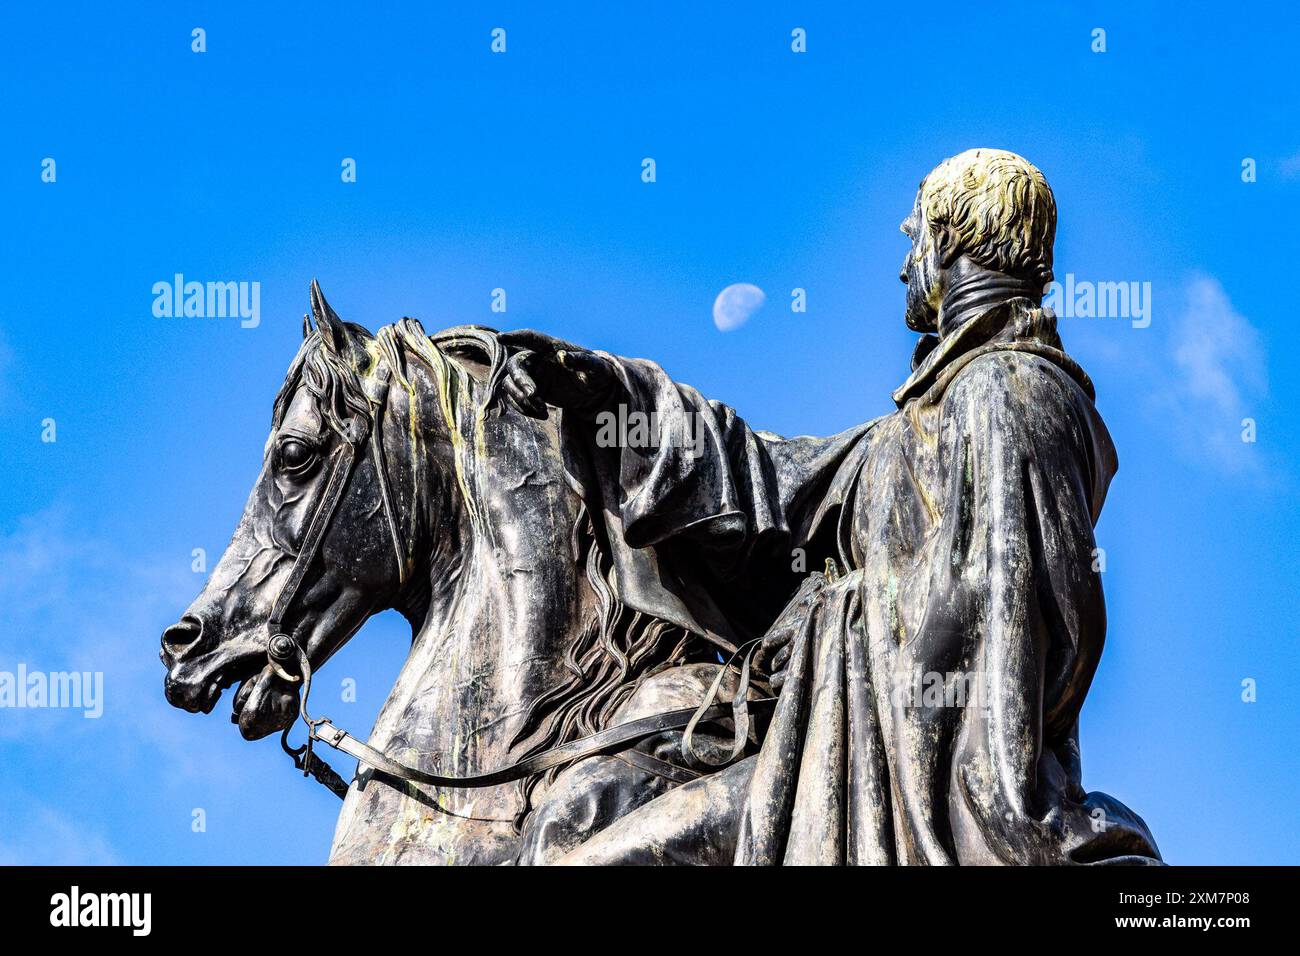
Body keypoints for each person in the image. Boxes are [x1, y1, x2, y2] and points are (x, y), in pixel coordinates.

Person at [503, 149, 1161, 865]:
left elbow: (1002, 612)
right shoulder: (913, 427)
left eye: (914, 240)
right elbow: (768, 478)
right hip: (836, 746)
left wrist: (832, 613)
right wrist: (616, 395)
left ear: (951, 240)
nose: (905, 264)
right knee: (592, 800)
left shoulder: (1011, 391)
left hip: (927, 787)